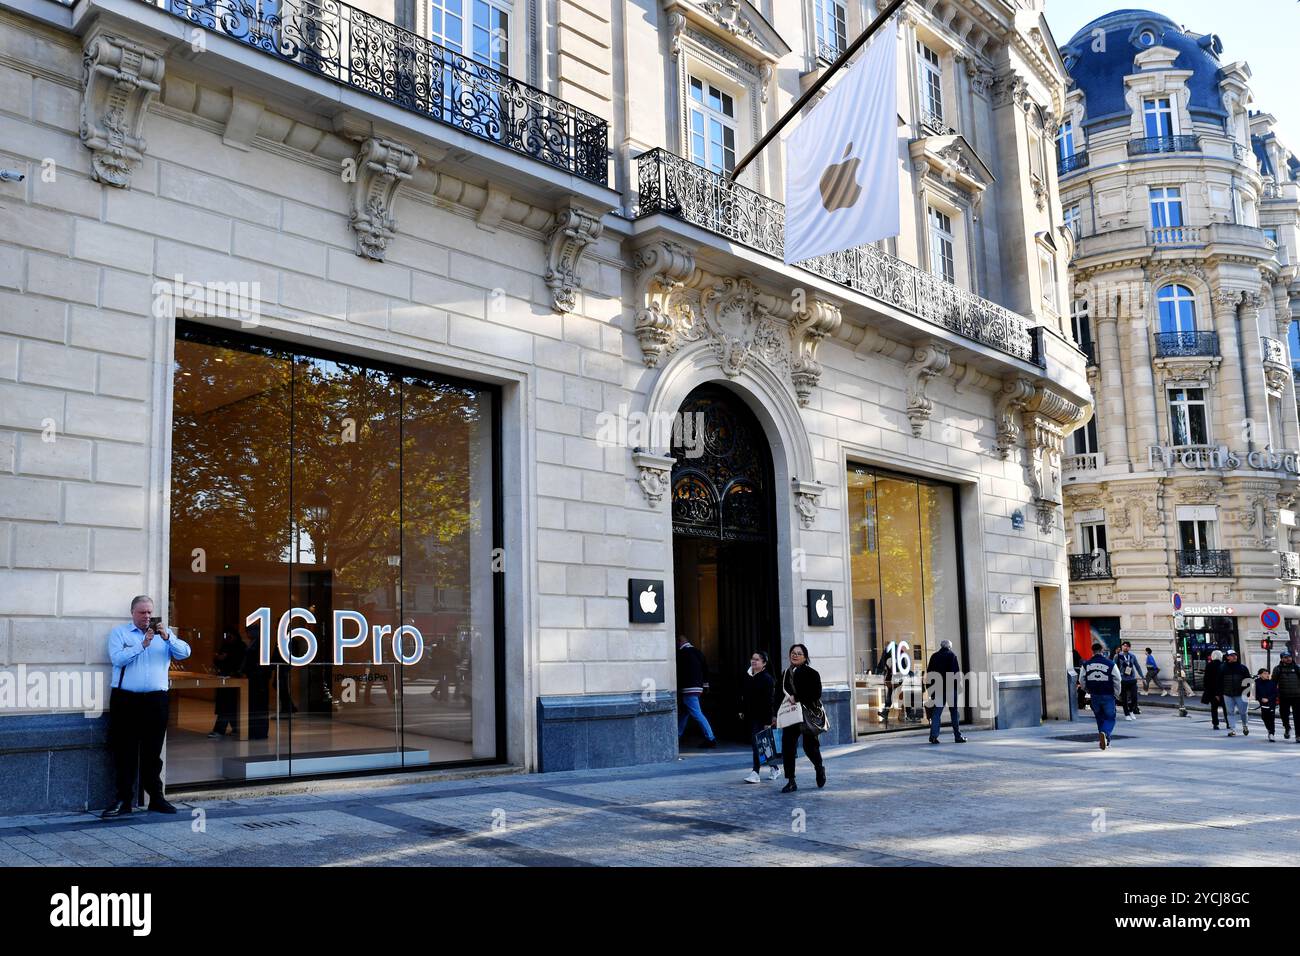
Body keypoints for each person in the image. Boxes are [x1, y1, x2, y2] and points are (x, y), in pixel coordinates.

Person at [102, 596, 192, 818]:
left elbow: (185, 652)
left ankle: (156, 798)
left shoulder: (165, 635)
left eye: (150, 612)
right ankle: (123, 799)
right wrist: (142, 645)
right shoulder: (120, 634)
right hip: (126, 700)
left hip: (156, 700)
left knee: (153, 752)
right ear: (133, 613)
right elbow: (117, 659)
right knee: (125, 751)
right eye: (142, 613)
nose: (147, 617)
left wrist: (168, 636)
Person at [776, 644, 827, 792]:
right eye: (793, 653)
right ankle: (791, 781)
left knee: (810, 747)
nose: (795, 655)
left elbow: (816, 693)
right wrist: (775, 714)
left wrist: (797, 697)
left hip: (807, 715)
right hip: (790, 715)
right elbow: (779, 694)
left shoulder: (812, 673)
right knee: (788, 747)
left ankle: (819, 768)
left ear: (805, 657)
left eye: (799, 653)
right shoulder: (785, 673)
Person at [741, 651, 778, 782]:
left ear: (764, 663)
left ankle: (755, 772)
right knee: (763, 745)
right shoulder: (749, 676)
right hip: (752, 716)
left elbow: (769, 701)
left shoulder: (767, 679)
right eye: (752, 659)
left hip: (762, 717)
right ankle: (775, 767)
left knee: (758, 744)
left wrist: (768, 721)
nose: (753, 661)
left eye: (757, 659)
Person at [1078, 641, 1122, 750]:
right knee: (1110, 717)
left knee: (1099, 717)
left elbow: (1081, 680)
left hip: (1095, 695)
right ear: (1102, 651)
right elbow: (1117, 679)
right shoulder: (1111, 664)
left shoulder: (1086, 665)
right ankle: (1105, 733)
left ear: (1092, 651)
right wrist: (1116, 693)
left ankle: (1105, 740)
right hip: (1108, 694)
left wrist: (1087, 690)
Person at [925, 639, 967, 744]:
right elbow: (956, 674)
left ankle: (933, 737)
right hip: (950, 689)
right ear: (949, 647)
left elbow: (929, 674)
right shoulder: (951, 655)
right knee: (954, 712)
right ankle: (958, 736)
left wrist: (930, 690)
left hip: (938, 689)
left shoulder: (934, 656)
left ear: (941, 646)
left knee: (936, 713)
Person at [676, 636, 716, 748]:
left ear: (680, 641)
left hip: (688, 688)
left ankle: (710, 738)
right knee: (685, 713)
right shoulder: (698, 652)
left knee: (697, 713)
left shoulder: (682, 653)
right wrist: (705, 684)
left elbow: (679, 672)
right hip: (698, 687)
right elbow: (705, 668)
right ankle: (677, 735)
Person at [208, 629, 247, 738]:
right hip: (224, 678)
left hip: (233, 679)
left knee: (226, 706)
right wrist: (219, 658)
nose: (229, 638)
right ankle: (235, 728)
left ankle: (220, 729)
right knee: (228, 706)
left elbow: (239, 662)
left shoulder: (239, 647)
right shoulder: (226, 646)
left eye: (231, 636)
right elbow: (217, 660)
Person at [1220, 650, 1252, 737]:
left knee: (1243, 712)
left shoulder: (1242, 668)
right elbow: (1219, 681)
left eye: (1235, 655)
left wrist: (1247, 693)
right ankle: (1232, 729)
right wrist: (1220, 693)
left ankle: (1245, 726)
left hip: (1241, 694)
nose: (1234, 656)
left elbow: (1248, 680)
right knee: (1230, 712)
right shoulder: (1222, 667)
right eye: (1232, 655)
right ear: (1227, 657)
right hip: (1227, 694)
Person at [1271, 650, 1300, 743]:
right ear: (1282, 659)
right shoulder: (1277, 669)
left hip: (1297, 696)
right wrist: (1274, 695)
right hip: (1283, 696)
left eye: (1289, 657)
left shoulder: (1297, 668)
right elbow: (1273, 683)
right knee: (1284, 715)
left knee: (1298, 717)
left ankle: (1298, 735)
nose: (1288, 659)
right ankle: (1287, 727)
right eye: (1286, 657)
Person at [1114, 641, 1143, 720]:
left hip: (1132, 679)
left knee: (1134, 697)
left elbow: (1137, 666)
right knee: (1124, 698)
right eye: (1124, 646)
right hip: (1122, 679)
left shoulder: (1132, 656)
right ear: (1122, 647)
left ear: (1129, 648)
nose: (1125, 647)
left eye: (1127, 646)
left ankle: (1131, 711)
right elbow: (1113, 668)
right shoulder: (1117, 656)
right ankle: (1126, 714)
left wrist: (1142, 676)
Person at [1201, 649, 1225, 730]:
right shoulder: (1223, 665)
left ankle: (1215, 724)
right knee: (1225, 707)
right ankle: (1228, 723)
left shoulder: (1209, 665)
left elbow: (1206, 679)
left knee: (1214, 708)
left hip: (1212, 690)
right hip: (1222, 690)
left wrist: (1207, 689)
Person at [1254, 668, 1279, 742]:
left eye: (1268, 673)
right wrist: (1261, 699)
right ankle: (1269, 729)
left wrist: (1269, 699)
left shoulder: (1272, 683)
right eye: (1265, 673)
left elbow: (1276, 693)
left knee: (1271, 718)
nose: (1267, 675)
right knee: (1264, 717)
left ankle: (1271, 733)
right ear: (1260, 674)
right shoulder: (1256, 683)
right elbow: (1255, 694)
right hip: (1263, 703)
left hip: (1271, 702)